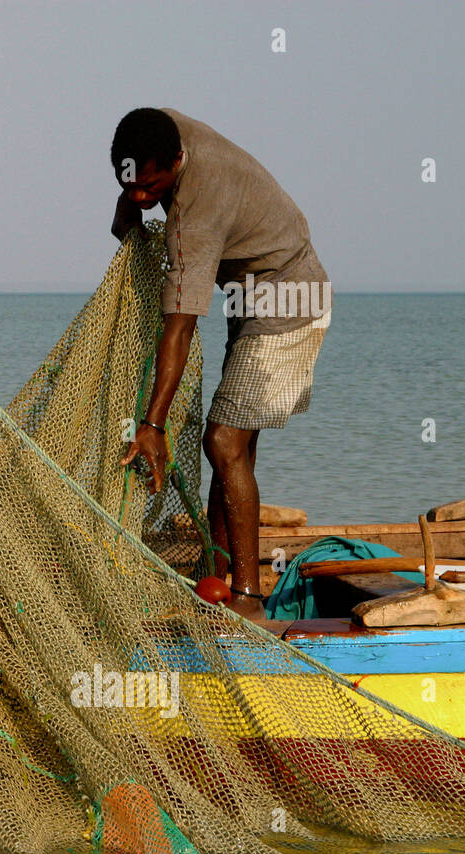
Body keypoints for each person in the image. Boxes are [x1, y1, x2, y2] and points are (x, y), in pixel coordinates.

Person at [110, 108, 330, 622]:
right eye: (130, 184)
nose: (144, 197)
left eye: (152, 186)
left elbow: (180, 327)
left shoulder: (197, 215)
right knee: (235, 448)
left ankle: (249, 600)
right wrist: (132, 198)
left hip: (288, 297)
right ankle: (219, 577)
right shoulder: (157, 129)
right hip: (247, 295)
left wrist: (152, 425)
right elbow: (139, 173)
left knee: (222, 442)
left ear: (179, 161)